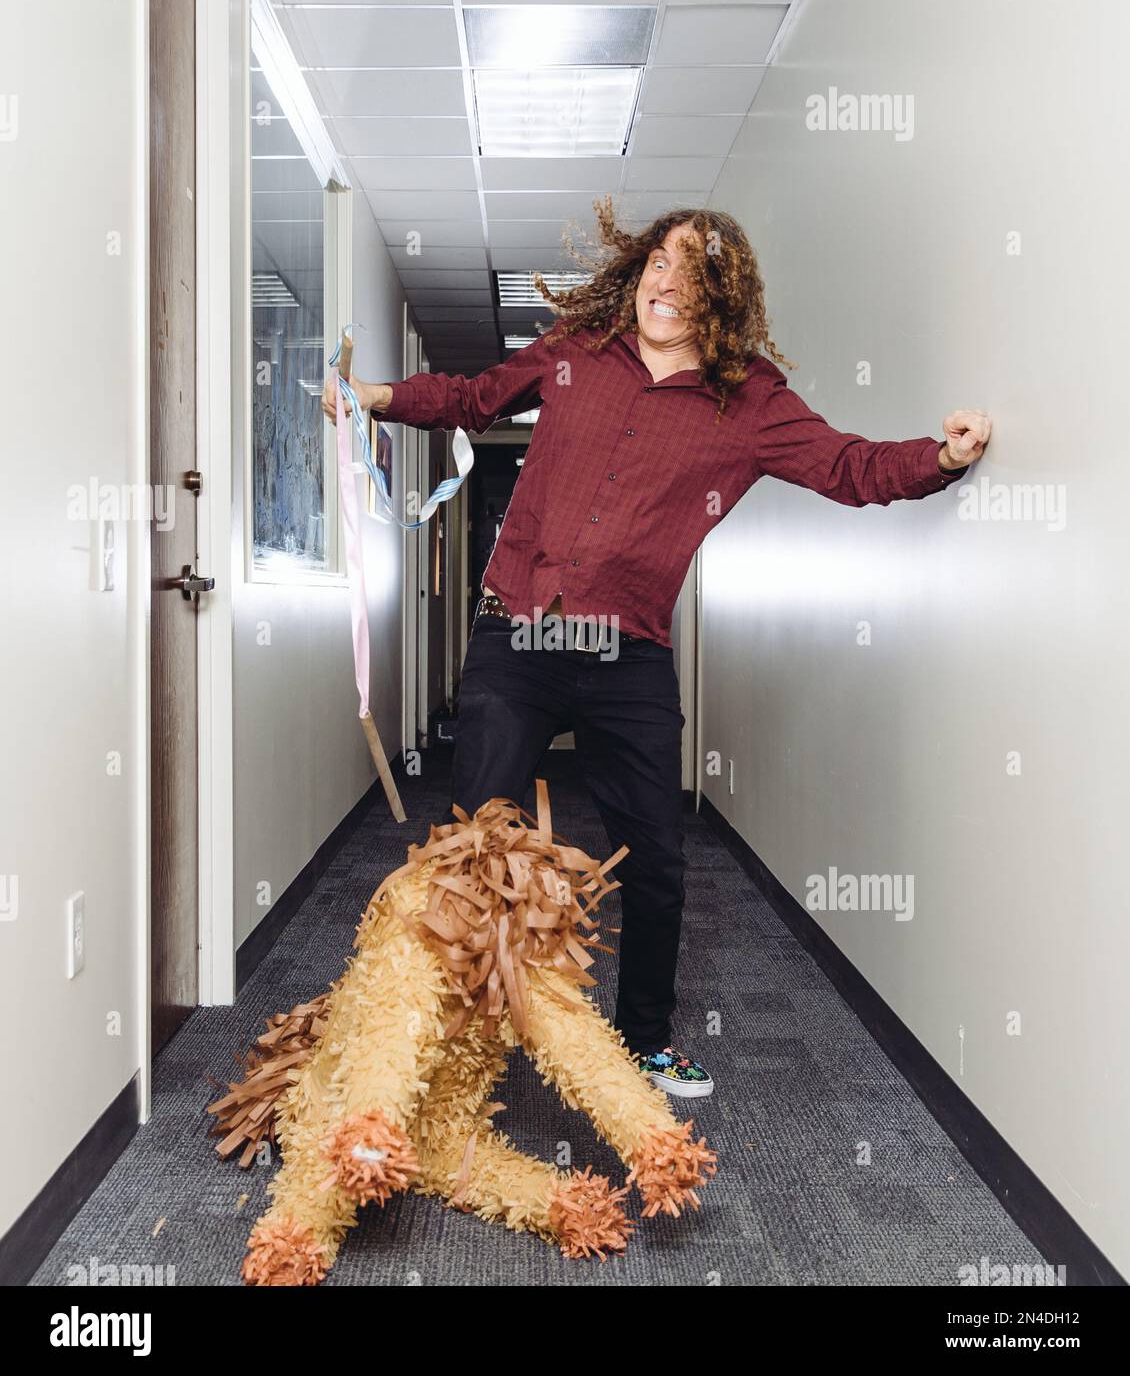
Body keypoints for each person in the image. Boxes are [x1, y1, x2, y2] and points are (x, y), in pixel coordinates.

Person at [323, 199, 991, 1099]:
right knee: (475, 847)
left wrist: (940, 460)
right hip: (517, 634)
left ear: (724, 295)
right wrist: (374, 398)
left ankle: (644, 1039)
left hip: (625, 654)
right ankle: (445, 1030)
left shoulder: (749, 400)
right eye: (657, 266)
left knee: (659, 862)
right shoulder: (578, 351)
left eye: (692, 273)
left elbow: (848, 467)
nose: (666, 285)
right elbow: (473, 398)